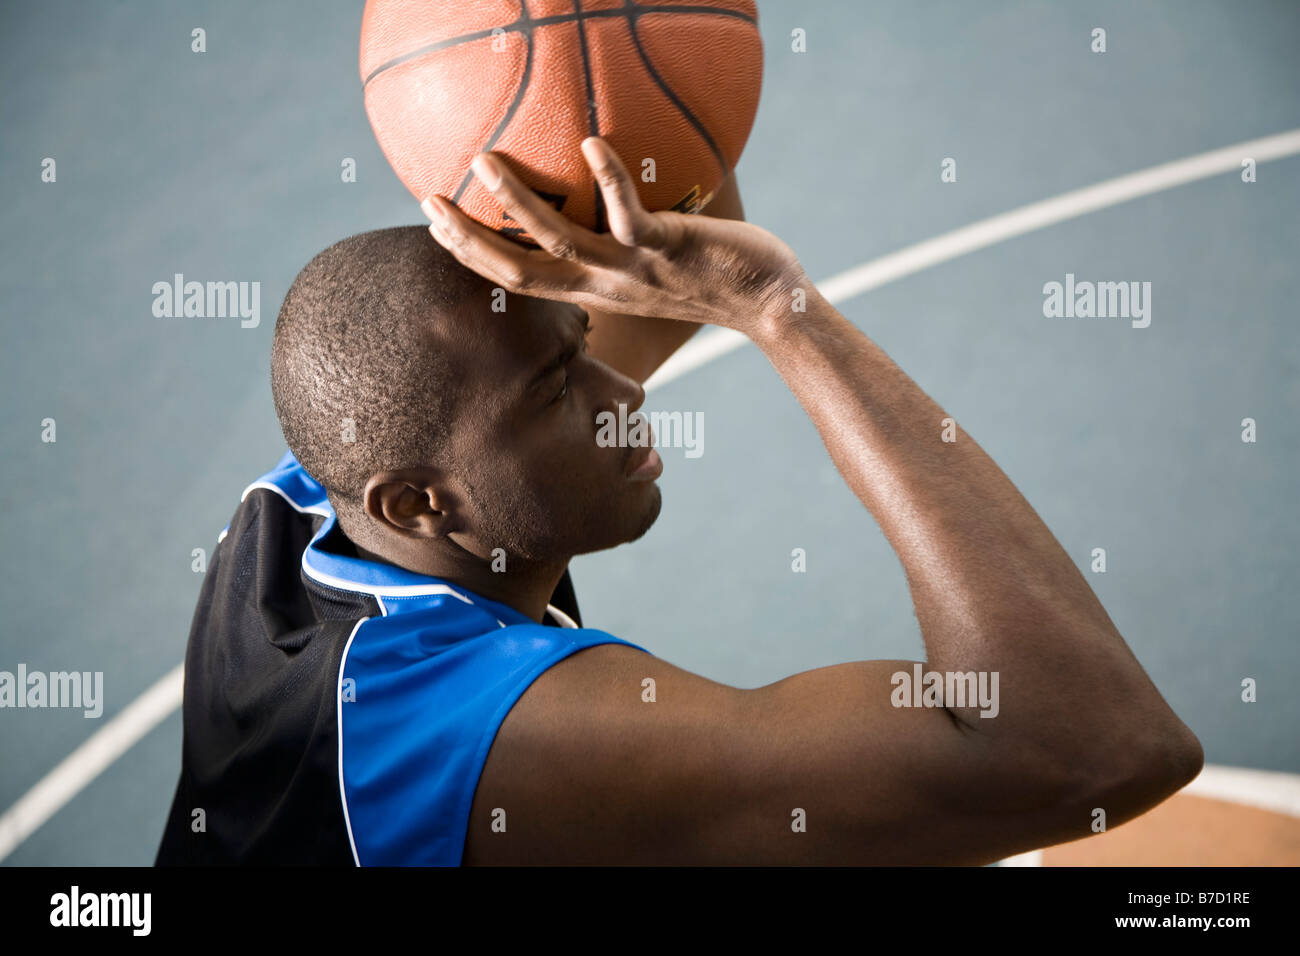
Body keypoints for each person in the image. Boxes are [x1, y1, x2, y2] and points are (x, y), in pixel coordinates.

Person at [156, 137, 1201, 866]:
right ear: (423, 504)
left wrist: (610, 65)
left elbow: (680, 228)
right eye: (562, 392)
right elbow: (1089, 747)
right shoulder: (509, 740)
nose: (627, 394)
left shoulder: (324, 497)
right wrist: (776, 310)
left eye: (577, 347)